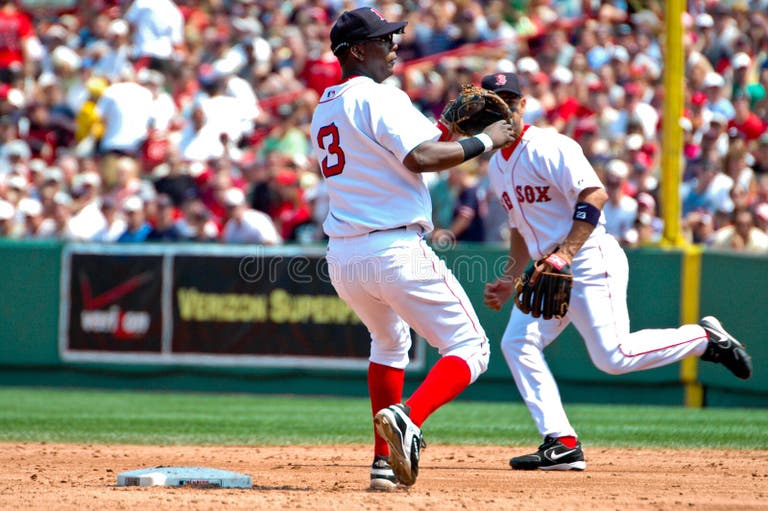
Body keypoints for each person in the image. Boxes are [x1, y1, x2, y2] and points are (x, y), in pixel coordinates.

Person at [479, 71, 753, 472]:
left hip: (589, 259)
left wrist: (566, 254)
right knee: (516, 343)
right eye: (493, 101)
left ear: (522, 105)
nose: (502, 107)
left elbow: (595, 194)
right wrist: (510, 278)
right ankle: (562, 441)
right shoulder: (495, 167)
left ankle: (702, 338)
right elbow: (520, 228)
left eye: (509, 99)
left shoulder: (549, 146)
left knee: (614, 357)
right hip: (547, 269)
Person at [310, 8, 516, 490]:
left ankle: (384, 463)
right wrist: (486, 139)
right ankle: (409, 417)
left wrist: (449, 129)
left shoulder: (327, 104)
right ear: (358, 50)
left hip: (345, 256)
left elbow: (416, 152)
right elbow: (421, 158)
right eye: (384, 39)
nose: (395, 45)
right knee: (472, 347)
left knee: (389, 343)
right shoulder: (380, 97)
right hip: (392, 247)